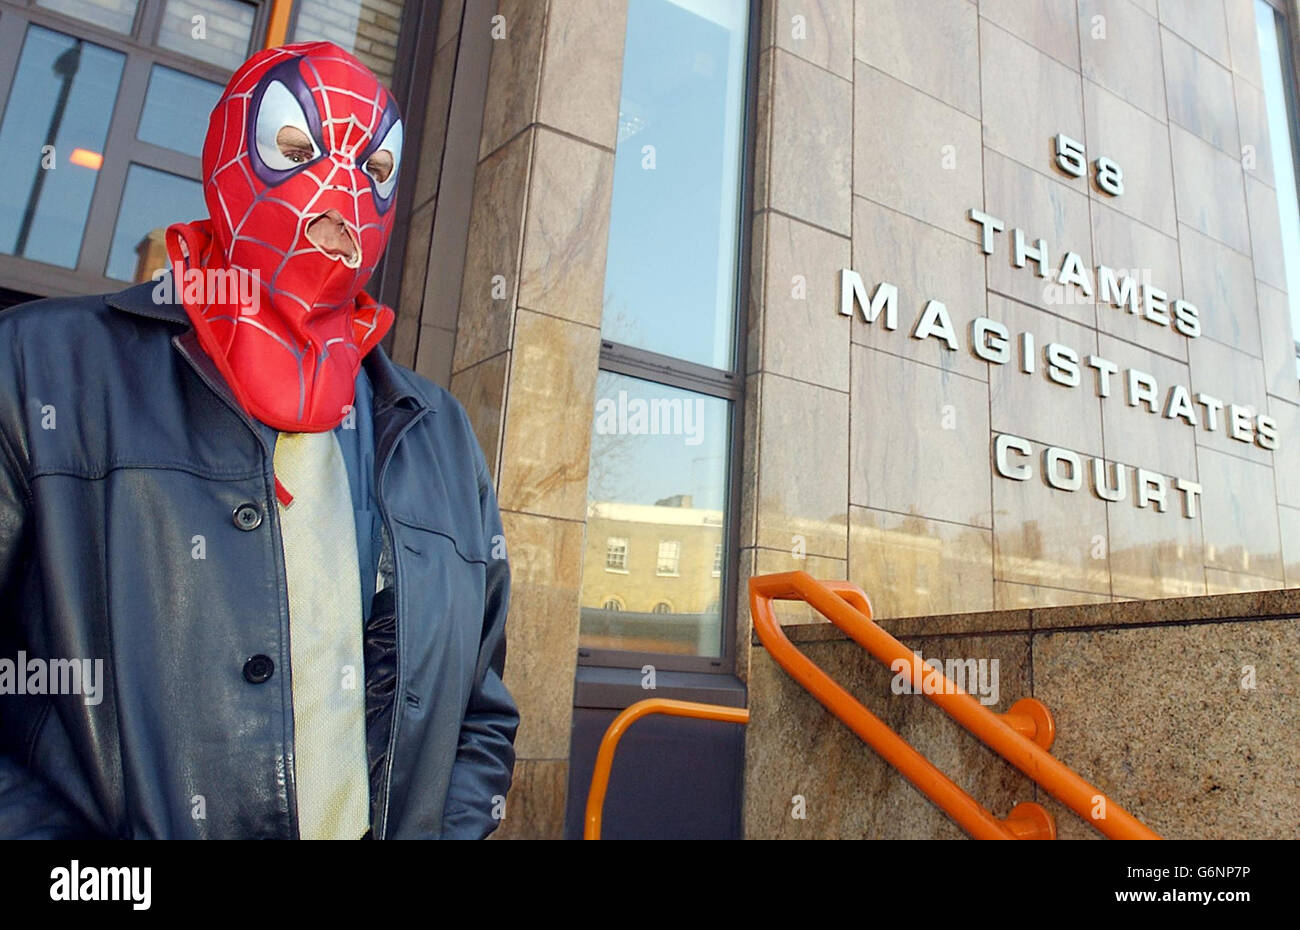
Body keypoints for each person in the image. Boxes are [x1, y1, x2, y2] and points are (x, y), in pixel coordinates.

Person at [0, 42, 518, 839]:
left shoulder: (438, 436)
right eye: (297, 150)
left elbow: (479, 709)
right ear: (230, 154)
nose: (341, 195)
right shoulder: (38, 371)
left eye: (374, 170)